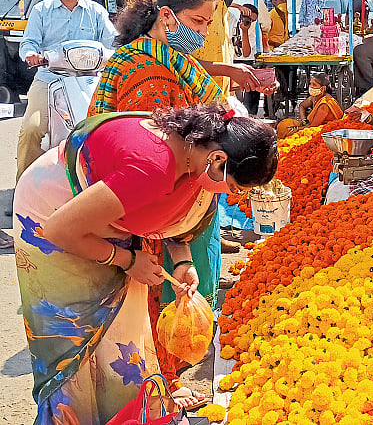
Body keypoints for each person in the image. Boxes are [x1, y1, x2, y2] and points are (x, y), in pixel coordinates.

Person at [13, 104, 278, 424]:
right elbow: (58, 230)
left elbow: (173, 223)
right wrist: (125, 259)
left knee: (123, 346)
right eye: (234, 187)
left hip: (106, 221)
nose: (231, 195)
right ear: (219, 159)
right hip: (52, 215)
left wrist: (183, 263)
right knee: (76, 348)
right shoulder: (153, 168)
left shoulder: (197, 154)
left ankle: (120, 413)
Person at [87, 0, 229, 409]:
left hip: (126, 193)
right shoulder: (154, 67)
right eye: (197, 22)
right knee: (136, 297)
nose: (203, 33)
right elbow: (159, 149)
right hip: (138, 195)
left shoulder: (146, 59)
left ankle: (150, 383)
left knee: (133, 298)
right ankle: (151, 387)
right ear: (167, 17)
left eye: (208, 24)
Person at [16, 0, 118, 181]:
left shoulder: (97, 12)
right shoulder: (41, 10)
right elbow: (28, 42)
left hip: (89, 80)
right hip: (49, 78)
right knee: (31, 129)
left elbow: (114, 42)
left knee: (106, 129)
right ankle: (24, 190)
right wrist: (31, 55)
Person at [192, 0, 276, 97]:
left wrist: (251, 81)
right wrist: (230, 70)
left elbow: (217, 79)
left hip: (216, 110)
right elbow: (178, 63)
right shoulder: (195, 4)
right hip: (194, 113)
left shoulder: (224, 8)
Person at [276, 73, 344, 138]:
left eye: (314, 85)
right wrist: (304, 120)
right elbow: (302, 106)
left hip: (324, 130)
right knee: (283, 125)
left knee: (286, 132)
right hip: (311, 125)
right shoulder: (314, 97)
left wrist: (295, 130)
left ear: (323, 88)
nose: (311, 86)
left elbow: (314, 126)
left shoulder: (325, 103)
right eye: (310, 84)